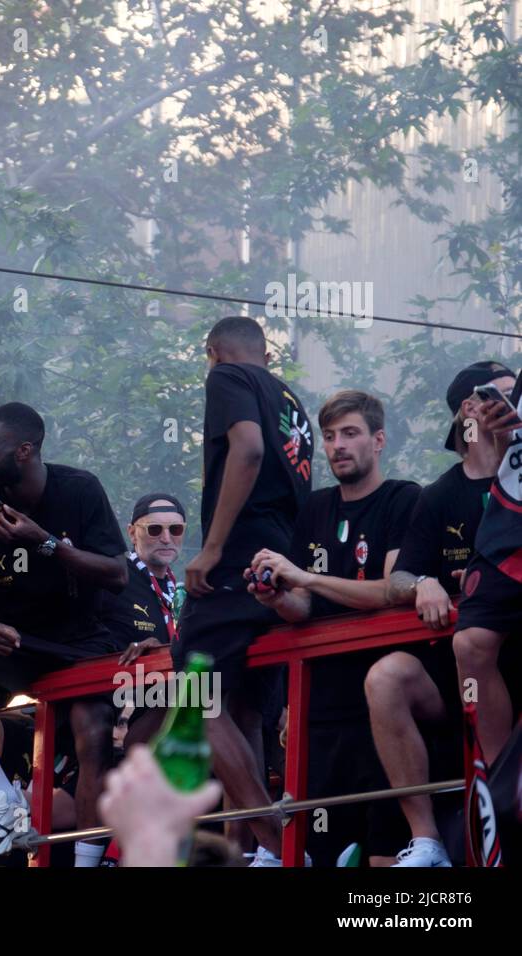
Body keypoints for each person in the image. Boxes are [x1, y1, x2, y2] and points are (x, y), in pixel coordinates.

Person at [0, 402, 129, 859]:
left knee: (91, 727)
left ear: (24, 451)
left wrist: (46, 543)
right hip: (13, 641)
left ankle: (86, 858)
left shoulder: (79, 489)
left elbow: (116, 574)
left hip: (81, 640)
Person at [248, 390, 420, 865]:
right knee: (322, 848)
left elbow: (391, 589)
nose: (337, 445)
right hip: (319, 708)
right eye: (328, 437)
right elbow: (304, 605)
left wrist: (303, 576)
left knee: (388, 851)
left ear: (378, 440)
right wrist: (278, 595)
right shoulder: (316, 508)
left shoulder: (403, 499)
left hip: (382, 707)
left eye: (350, 433)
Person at [172, 316, 314, 866]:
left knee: (195, 690)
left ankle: (282, 845)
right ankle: (255, 851)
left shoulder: (226, 378)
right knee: (245, 702)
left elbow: (248, 450)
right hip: (283, 554)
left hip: (240, 553)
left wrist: (212, 548)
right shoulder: (289, 400)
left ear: (214, 352)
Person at [368, 362, 516, 866]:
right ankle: (427, 842)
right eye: (499, 396)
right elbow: (399, 578)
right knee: (386, 676)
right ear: (469, 411)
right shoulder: (438, 495)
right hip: (460, 670)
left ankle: (504, 802)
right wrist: (424, 582)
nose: (513, 405)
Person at [453, 371, 522, 766]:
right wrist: (501, 433)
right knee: (469, 644)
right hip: (506, 529)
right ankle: (499, 774)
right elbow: (505, 462)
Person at [102, 493, 187, 663]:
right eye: (154, 529)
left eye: (175, 529)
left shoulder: (179, 592)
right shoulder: (114, 578)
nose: (166, 538)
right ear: (132, 533)